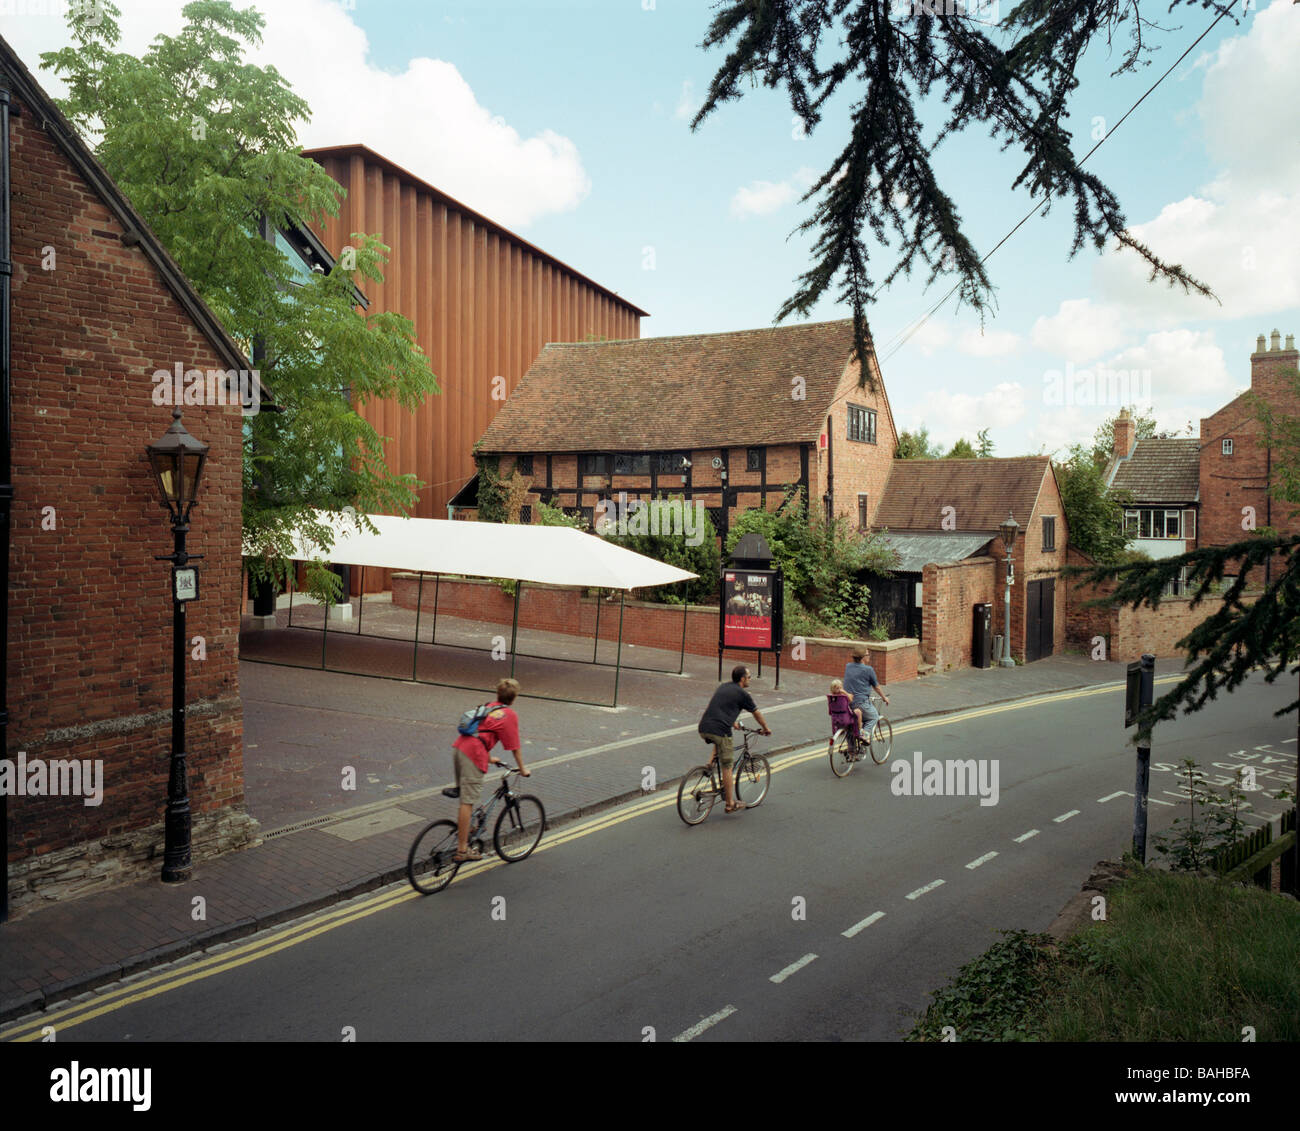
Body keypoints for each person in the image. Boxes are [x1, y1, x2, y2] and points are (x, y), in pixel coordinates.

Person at [443, 678, 529, 861]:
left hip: (459, 748)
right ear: (513, 698)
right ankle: (462, 850)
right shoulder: (509, 714)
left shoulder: (489, 706)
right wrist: (522, 769)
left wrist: (490, 758)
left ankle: (467, 829)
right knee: (467, 802)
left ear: (498, 694)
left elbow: (480, 733)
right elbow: (515, 748)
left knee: (469, 795)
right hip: (473, 755)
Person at [697, 665, 771, 813]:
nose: (750, 679)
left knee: (719, 742)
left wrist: (732, 722)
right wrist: (766, 728)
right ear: (742, 679)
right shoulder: (743, 694)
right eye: (749, 677)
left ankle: (709, 765)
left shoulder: (724, 686)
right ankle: (730, 803)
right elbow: (756, 713)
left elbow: (719, 707)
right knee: (727, 765)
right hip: (720, 730)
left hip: (704, 727)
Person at [843, 651, 889, 747]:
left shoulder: (848, 666)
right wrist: (884, 697)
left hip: (847, 703)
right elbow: (876, 687)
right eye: (868, 655)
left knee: (852, 725)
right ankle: (864, 735)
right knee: (874, 717)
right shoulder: (868, 669)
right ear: (863, 657)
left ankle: (852, 751)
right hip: (861, 703)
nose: (869, 656)